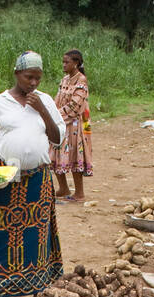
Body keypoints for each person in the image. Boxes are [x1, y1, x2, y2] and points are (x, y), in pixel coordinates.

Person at [0, 51, 65, 297]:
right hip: (7, 175)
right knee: (0, 231)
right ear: (16, 74)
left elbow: (57, 137)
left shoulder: (46, 101)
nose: (34, 83)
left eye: (38, 78)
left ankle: (39, 290)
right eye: (29, 77)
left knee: (36, 233)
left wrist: (41, 110)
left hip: (37, 177)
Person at [51, 49, 91, 203]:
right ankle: (64, 188)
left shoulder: (81, 81)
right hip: (61, 122)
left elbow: (76, 105)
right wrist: (52, 113)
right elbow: (58, 98)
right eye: (63, 62)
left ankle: (79, 193)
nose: (64, 65)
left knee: (75, 156)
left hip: (74, 125)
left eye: (67, 62)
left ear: (76, 63)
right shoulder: (65, 79)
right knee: (55, 153)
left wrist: (56, 116)